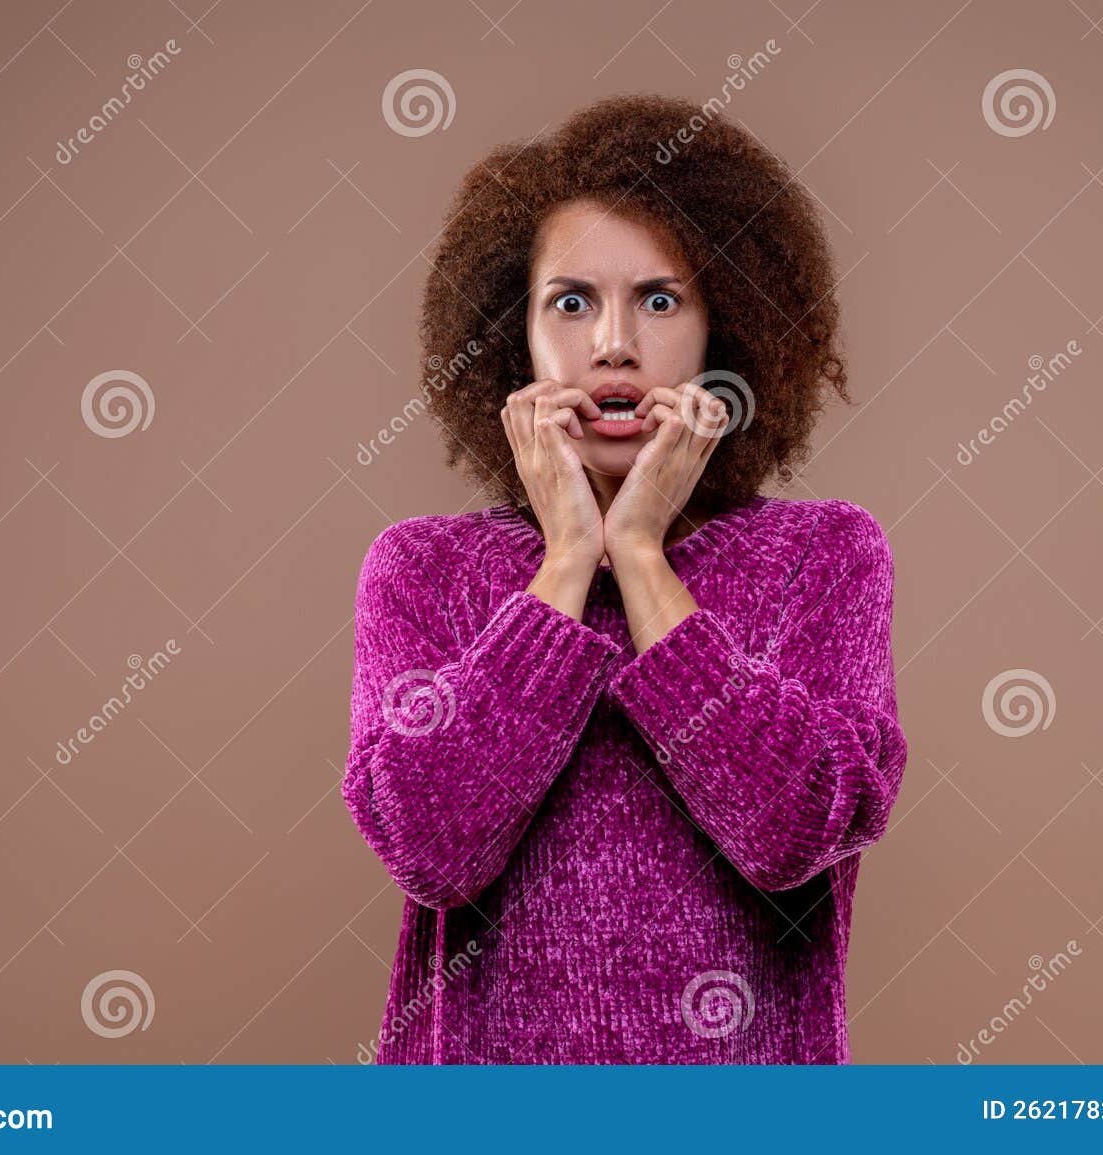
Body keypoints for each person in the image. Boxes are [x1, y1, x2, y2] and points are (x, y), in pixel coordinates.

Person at [342, 94, 907, 1063]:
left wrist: (640, 553)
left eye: (659, 299)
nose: (613, 343)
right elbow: (430, 846)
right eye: (571, 302)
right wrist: (569, 557)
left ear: (724, 328)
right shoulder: (423, 569)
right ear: (513, 334)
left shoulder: (823, 555)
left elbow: (792, 829)